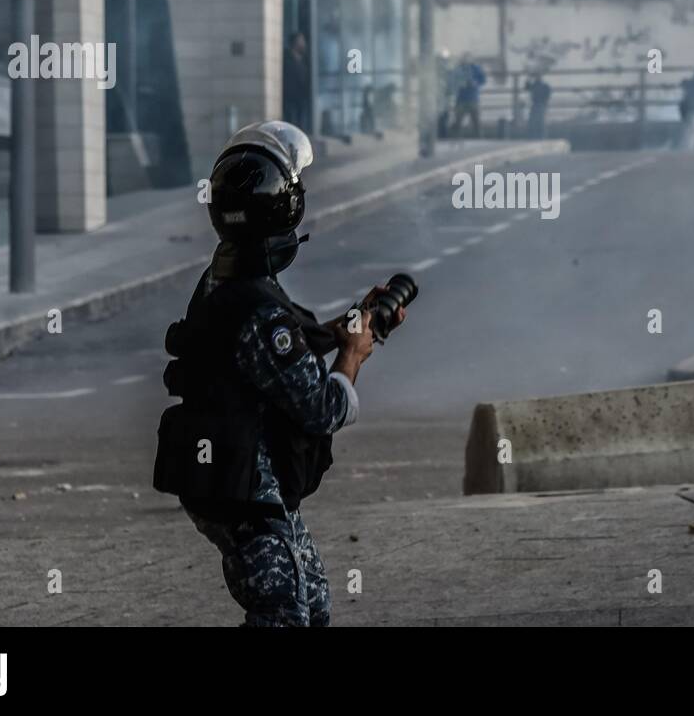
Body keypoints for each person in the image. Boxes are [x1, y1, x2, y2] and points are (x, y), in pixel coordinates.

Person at [152, 121, 403, 627]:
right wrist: (353, 355)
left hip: (230, 475)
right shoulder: (260, 311)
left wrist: (346, 326)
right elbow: (323, 409)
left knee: (314, 606)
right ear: (283, 210)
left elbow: (269, 351)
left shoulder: (225, 277)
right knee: (283, 614)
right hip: (242, 488)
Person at [450, 55, 485, 138]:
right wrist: (460, 84)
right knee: (458, 119)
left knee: (476, 120)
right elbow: (453, 80)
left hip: (473, 98)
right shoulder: (458, 69)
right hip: (461, 98)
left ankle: (479, 137)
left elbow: (483, 79)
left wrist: (475, 83)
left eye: (468, 59)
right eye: (465, 59)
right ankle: (455, 137)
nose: (466, 61)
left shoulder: (476, 68)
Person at [283, 32, 311, 130]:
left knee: (300, 122)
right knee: (290, 121)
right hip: (289, 97)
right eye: (301, 41)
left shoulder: (305, 61)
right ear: (295, 43)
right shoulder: (286, 59)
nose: (304, 44)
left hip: (301, 97)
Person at [525, 74, 552, 139]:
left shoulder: (543, 86)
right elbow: (526, 87)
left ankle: (540, 137)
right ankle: (538, 136)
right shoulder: (537, 86)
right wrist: (529, 78)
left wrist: (529, 78)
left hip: (540, 105)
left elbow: (527, 87)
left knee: (539, 122)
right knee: (536, 122)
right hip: (537, 105)